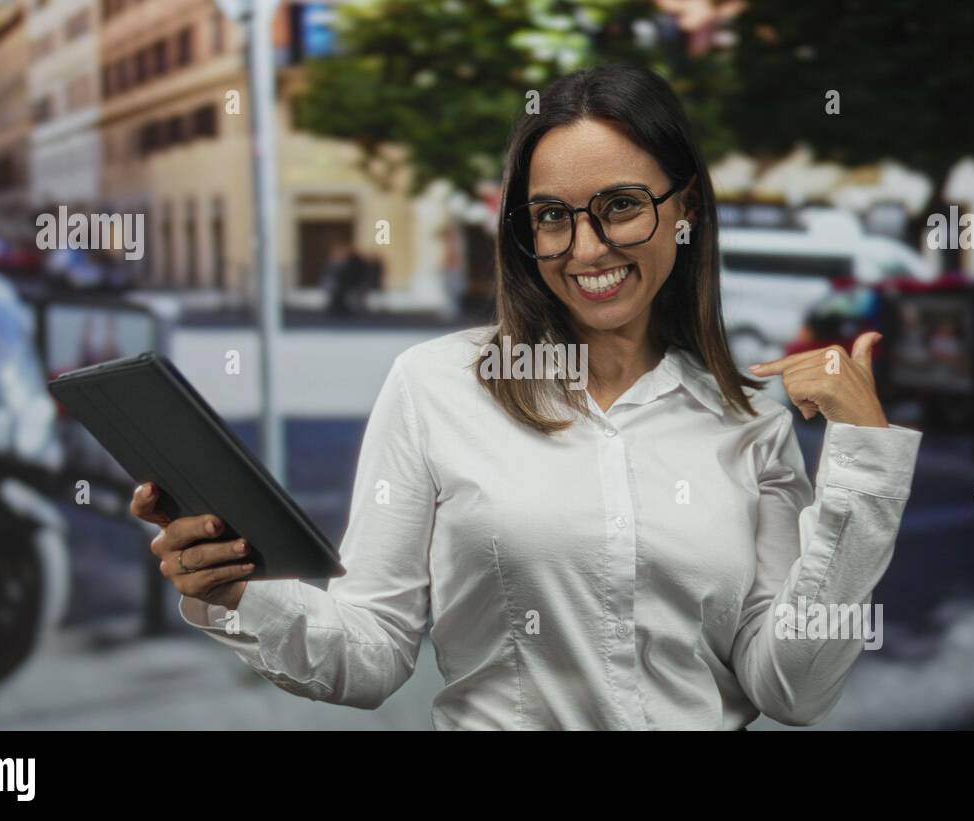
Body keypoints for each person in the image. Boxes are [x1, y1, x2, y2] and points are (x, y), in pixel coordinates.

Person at [132, 64, 922, 730]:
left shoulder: (749, 417)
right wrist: (238, 591)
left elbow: (793, 687)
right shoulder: (433, 386)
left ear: (685, 209)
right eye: (551, 216)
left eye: (619, 205)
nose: (585, 249)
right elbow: (369, 651)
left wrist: (862, 468)